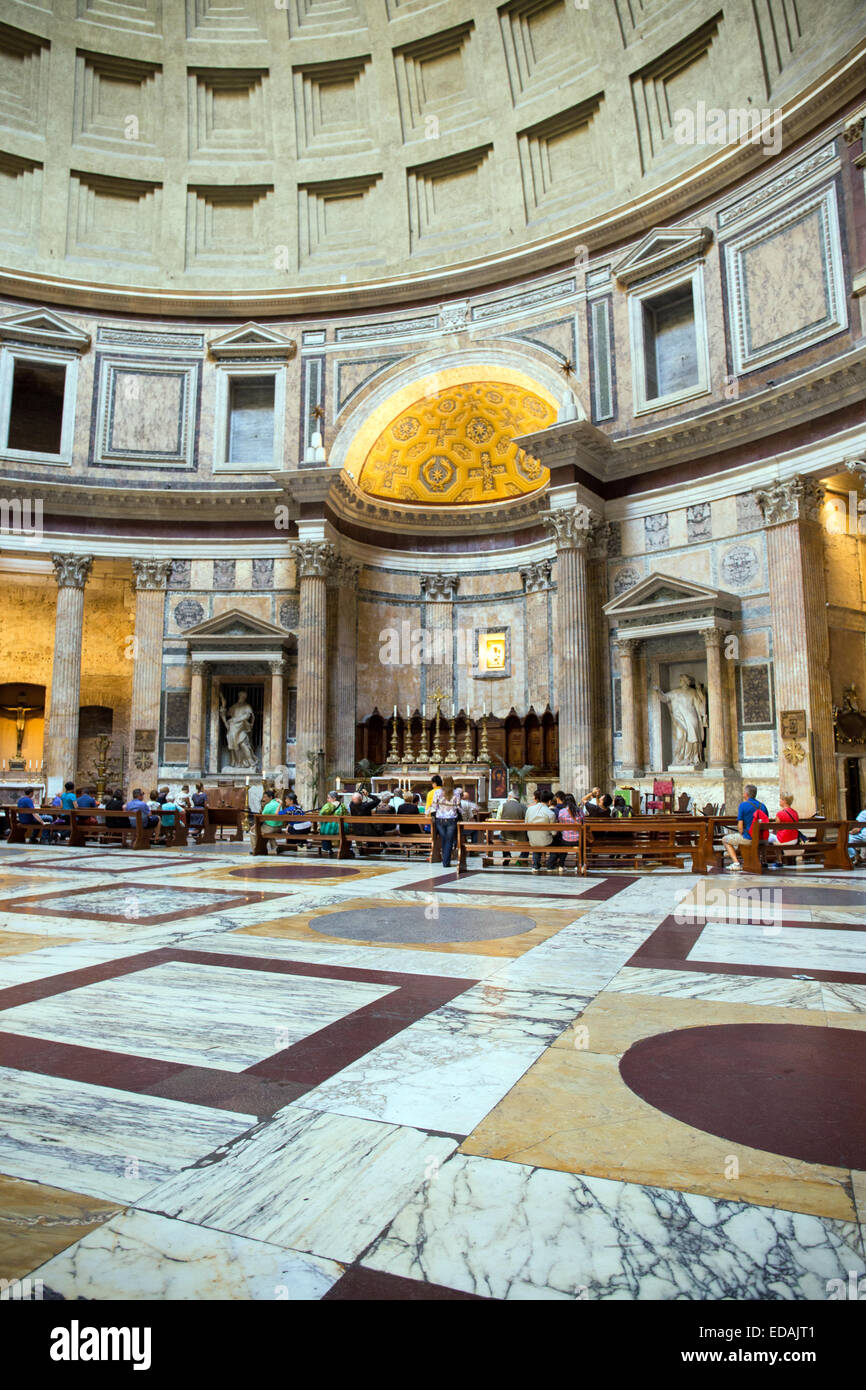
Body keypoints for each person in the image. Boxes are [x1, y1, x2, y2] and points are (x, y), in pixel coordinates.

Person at [722, 783, 768, 871]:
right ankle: (762, 861)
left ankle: (736, 863)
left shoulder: (743, 805)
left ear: (746, 794)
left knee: (725, 839)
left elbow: (740, 827)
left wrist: (742, 834)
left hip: (749, 838)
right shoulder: (763, 806)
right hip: (762, 838)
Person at [430, 775, 461, 868]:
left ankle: (445, 860)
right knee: (449, 840)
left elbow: (434, 806)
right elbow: (458, 807)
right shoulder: (456, 793)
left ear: (443, 782)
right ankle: (446, 861)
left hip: (440, 819)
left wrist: (432, 815)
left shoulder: (437, 792)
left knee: (444, 840)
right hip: (452, 818)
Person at [525, 788, 557, 873]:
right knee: (556, 842)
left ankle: (535, 865)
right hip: (545, 840)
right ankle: (550, 865)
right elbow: (554, 832)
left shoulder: (529, 809)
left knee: (537, 841)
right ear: (550, 802)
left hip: (532, 839)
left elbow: (526, 823)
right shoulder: (551, 813)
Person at [498, 784, 527, 865]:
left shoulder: (502, 806)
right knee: (528, 838)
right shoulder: (524, 807)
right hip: (521, 837)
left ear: (510, 796)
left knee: (501, 836)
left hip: (506, 836)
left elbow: (498, 821)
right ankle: (523, 857)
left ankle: (506, 855)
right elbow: (527, 821)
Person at [555, 792, 581, 872]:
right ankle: (580, 864)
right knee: (582, 844)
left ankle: (561, 865)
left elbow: (560, 822)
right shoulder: (579, 811)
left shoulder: (562, 811)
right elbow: (583, 822)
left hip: (566, 839)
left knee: (562, 844)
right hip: (577, 840)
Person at [318, 791, 345, 856]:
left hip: (331, 828)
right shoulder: (342, 805)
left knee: (323, 830)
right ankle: (348, 848)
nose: (327, 800)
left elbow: (321, 814)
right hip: (342, 827)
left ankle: (327, 848)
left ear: (334, 798)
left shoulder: (329, 805)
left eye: (328, 798)